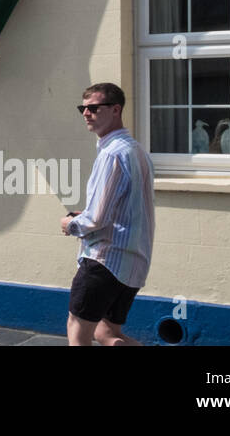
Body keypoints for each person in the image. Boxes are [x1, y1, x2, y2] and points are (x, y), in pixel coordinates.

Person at [61, 83, 154, 346]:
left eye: (93, 108)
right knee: (108, 334)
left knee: (78, 332)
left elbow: (96, 219)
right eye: (83, 108)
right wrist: (87, 214)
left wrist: (70, 224)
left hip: (104, 261)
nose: (86, 113)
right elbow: (123, 206)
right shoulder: (136, 151)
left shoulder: (112, 154)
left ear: (116, 109)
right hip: (133, 262)